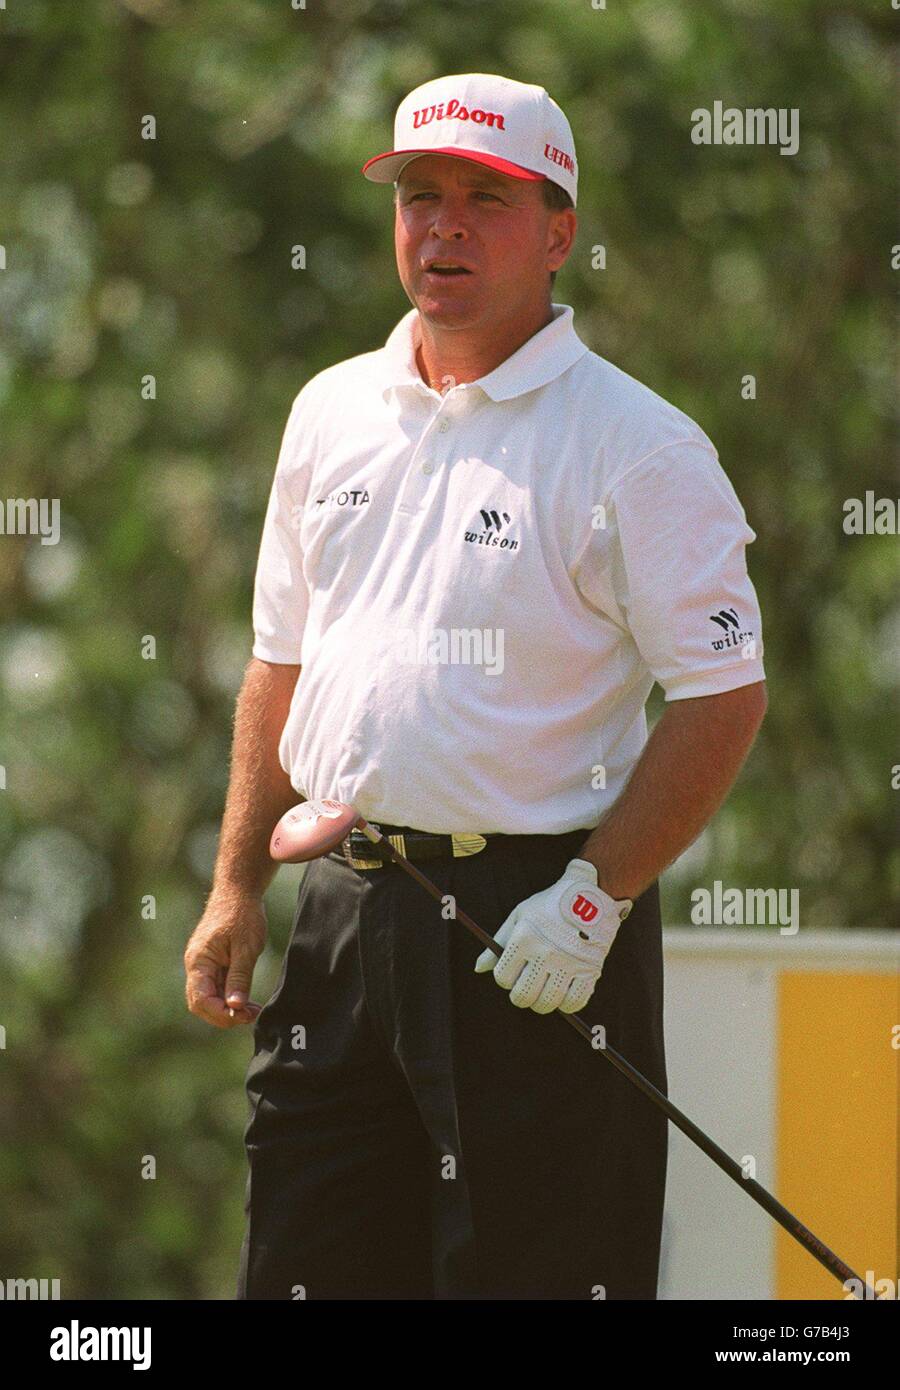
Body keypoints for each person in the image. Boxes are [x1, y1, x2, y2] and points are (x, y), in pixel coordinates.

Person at [184, 72, 768, 1300]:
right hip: (339, 909)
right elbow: (280, 662)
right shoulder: (331, 409)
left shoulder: (638, 443)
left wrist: (595, 899)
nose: (443, 225)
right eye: (421, 195)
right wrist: (237, 883)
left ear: (558, 232)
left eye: (485, 199)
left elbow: (723, 697)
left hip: (535, 923)